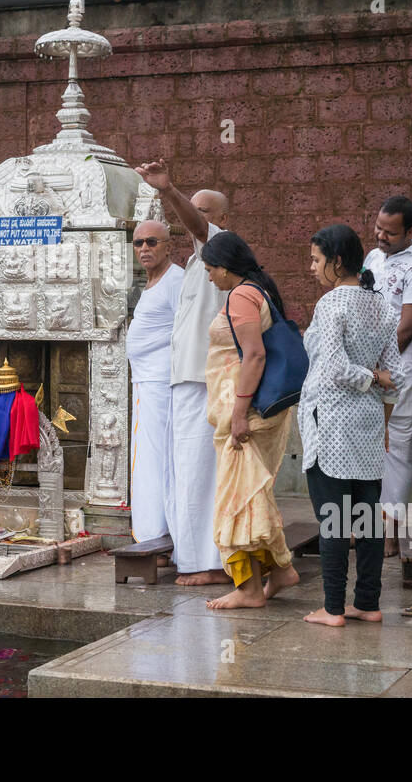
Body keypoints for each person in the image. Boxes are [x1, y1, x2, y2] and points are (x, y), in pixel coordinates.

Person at [300, 225, 405, 626]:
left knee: (333, 519)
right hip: (367, 423)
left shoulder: (331, 303)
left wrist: (370, 378)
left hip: (331, 423)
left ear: (336, 261)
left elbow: (336, 369)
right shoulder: (380, 305)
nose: (312, 268)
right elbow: (397, 373)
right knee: (364, 516)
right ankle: (368, 603)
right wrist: (384, 414)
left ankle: (332, 609)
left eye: (316, 260)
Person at [134, 158, 231, 587]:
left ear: (220, 221)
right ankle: (190, 557)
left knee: (196, 473)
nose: (189, 220)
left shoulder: (218, 245)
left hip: (200, 382)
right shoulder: (199, 264)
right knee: (182, 474)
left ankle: (207, 563)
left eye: (201, 212)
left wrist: (169, 191)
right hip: (182, 383)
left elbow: (196, 226)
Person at [198, 232, 301, 610]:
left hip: (245, 410)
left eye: (211, 270)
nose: (210, 278)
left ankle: (251, 588)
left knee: (238, 497)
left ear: (225, 267)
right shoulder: (259, 289)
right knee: (251, 492)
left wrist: (239, 413)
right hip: (249, 407)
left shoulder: (241, 294)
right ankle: (277, 571)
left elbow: (254, 355)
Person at [362, 196, 412, 555]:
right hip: (368, 364)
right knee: (366, 444)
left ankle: (389, 532)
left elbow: (407, 327)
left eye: (390, 232)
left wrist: (380, 366)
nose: (381, 236)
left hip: (401, 365)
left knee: (397, 446)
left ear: (410, 231)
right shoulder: (373, 258)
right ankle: (362, 526)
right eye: (378, 228)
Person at [125, 220, 184, 546]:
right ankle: (150, 534)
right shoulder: (151, 282)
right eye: (138, 243)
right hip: (145, 382)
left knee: (157, 458)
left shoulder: (176, 280)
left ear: (168, 246)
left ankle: (159, 535)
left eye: (151, 242)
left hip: (161, 383)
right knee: (146, 458)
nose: (144, 249)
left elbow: (186, 331)